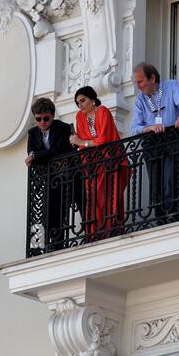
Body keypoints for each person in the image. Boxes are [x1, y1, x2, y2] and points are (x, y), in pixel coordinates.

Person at [130, 63, 179, 222]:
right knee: (156, 184)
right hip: (152, 144)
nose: (138, 86)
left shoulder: (171, 86)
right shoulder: (140, 100)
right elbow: (134, 128)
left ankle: (172, 216)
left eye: (140, 81)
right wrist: (150, 128)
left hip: (172, 139)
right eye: (136, 82)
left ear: (152, 78)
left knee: (169, 180)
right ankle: (161, 220)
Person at [70, 85, 129, 240]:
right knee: (93, 198)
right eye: (78, 103)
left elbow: (102, 140)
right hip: (92, 164)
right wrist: (82, 142)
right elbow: (82, 143)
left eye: (83, 100)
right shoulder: (80, 117)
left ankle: (111, 230)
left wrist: (83, 142)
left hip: (109, 161)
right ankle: (96, 233)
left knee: (107, 195)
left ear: (93, 100)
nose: (80, 105)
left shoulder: (103, 111)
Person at [26, 97, 78, 250]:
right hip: (44, 180)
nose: (42, 122)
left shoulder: (62, 128)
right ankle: (40, 247)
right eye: (39, 119)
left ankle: (57, 245)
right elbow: (31, 154)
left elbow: (61, 149)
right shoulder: (32, 133)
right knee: (42, 215)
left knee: (59, 212)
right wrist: (38, 156)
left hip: (63, 177)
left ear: (52, 116)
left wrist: (37, 155)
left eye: (46, 118)